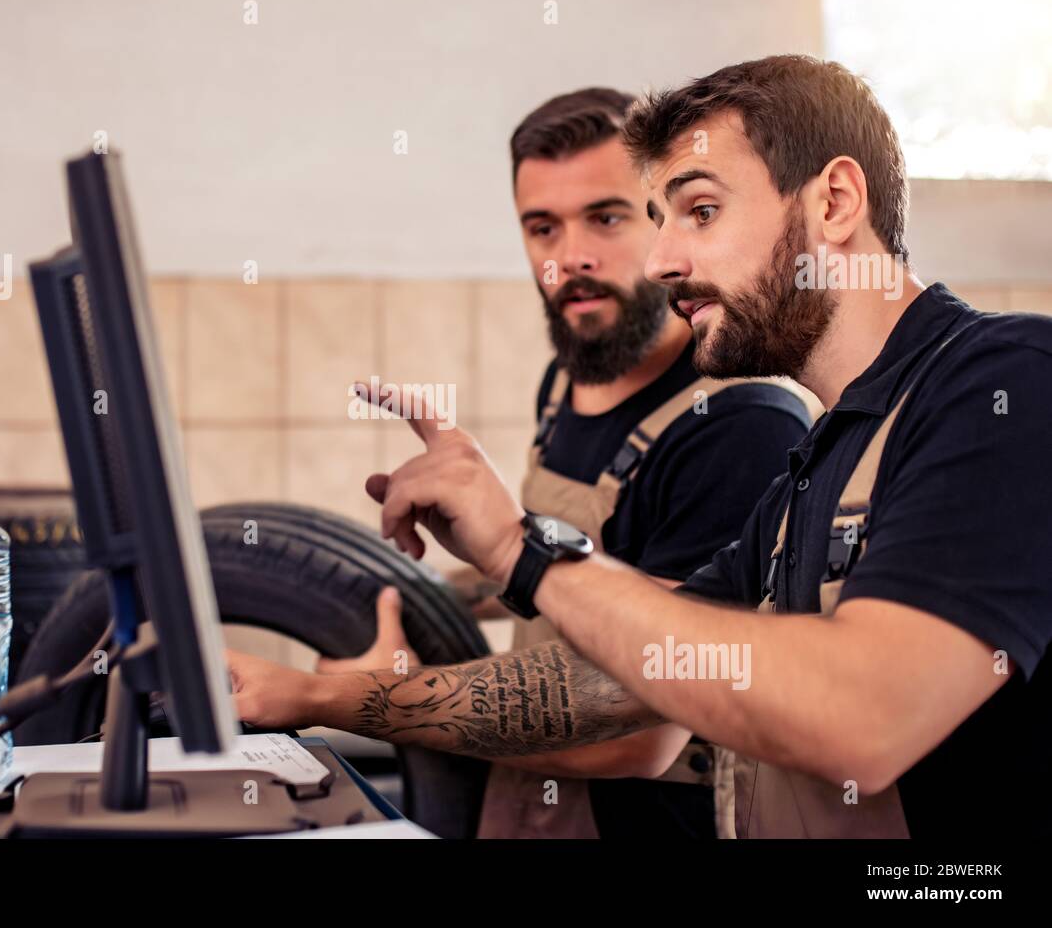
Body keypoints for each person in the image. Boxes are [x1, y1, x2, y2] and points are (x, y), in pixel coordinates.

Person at [232, 55, 1052, 838]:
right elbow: (620, 685)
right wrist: (329, 696)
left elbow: (867, 717)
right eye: (659, 220)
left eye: (699, 211)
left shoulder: (1003, 382)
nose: (662, 261)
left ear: (834, 201)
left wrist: (526, 551)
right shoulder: (810, 480)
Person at [321, 87, 810, 839]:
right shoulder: (569, 381)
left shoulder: (741, 427)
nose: (569, 257)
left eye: (605, 218)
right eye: (541, 227)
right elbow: (571, 575)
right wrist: (403, 585)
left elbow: (639, 725)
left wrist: (348, 698)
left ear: (664, 218)